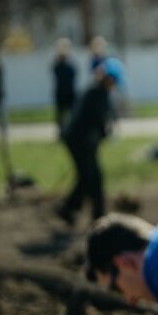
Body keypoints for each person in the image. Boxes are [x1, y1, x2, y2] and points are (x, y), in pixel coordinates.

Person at [55, 58, 121, 226]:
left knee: (86, 177)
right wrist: (103, 132)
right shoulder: (96, 92)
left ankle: (69, 209)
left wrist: (101, 133)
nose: (115, 85)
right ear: (108, 78)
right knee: (94, 177)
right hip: (79, 141)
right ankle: (98, 217)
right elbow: (96, 120)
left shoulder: (97, 91)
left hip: (82, 140)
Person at [52, 38, 78, 137]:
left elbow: (74, 74)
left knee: (72, 114)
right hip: (60, 92)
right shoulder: (57, 63)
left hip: (70, 92)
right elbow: (55, 72)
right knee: (60, 115)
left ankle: (72, 131)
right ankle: (61, 133)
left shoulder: (70, 62)